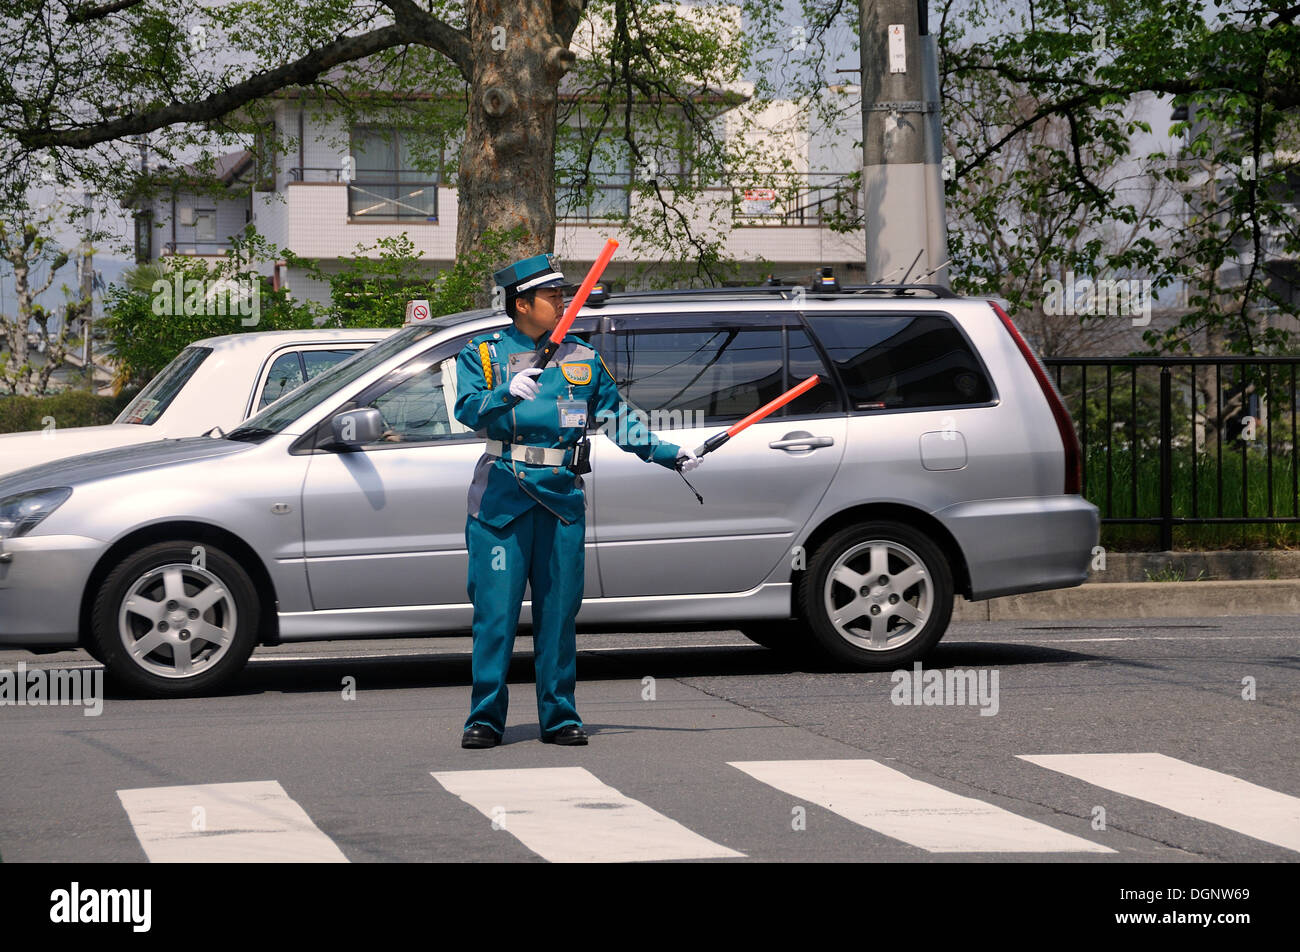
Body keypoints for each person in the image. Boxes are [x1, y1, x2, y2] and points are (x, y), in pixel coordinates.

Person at [453, 254, 702, 748]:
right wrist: (504, 392)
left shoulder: (581, 357)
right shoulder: (482, 354)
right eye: (551, 296)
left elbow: (617, 418)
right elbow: (466, 410)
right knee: (495, 615)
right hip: (503, 497)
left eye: (562, 294)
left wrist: (669, 453)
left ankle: (560, 714)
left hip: (561, 497)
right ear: (521, 304)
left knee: (560, 612)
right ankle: (484, 717)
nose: (561, 302)